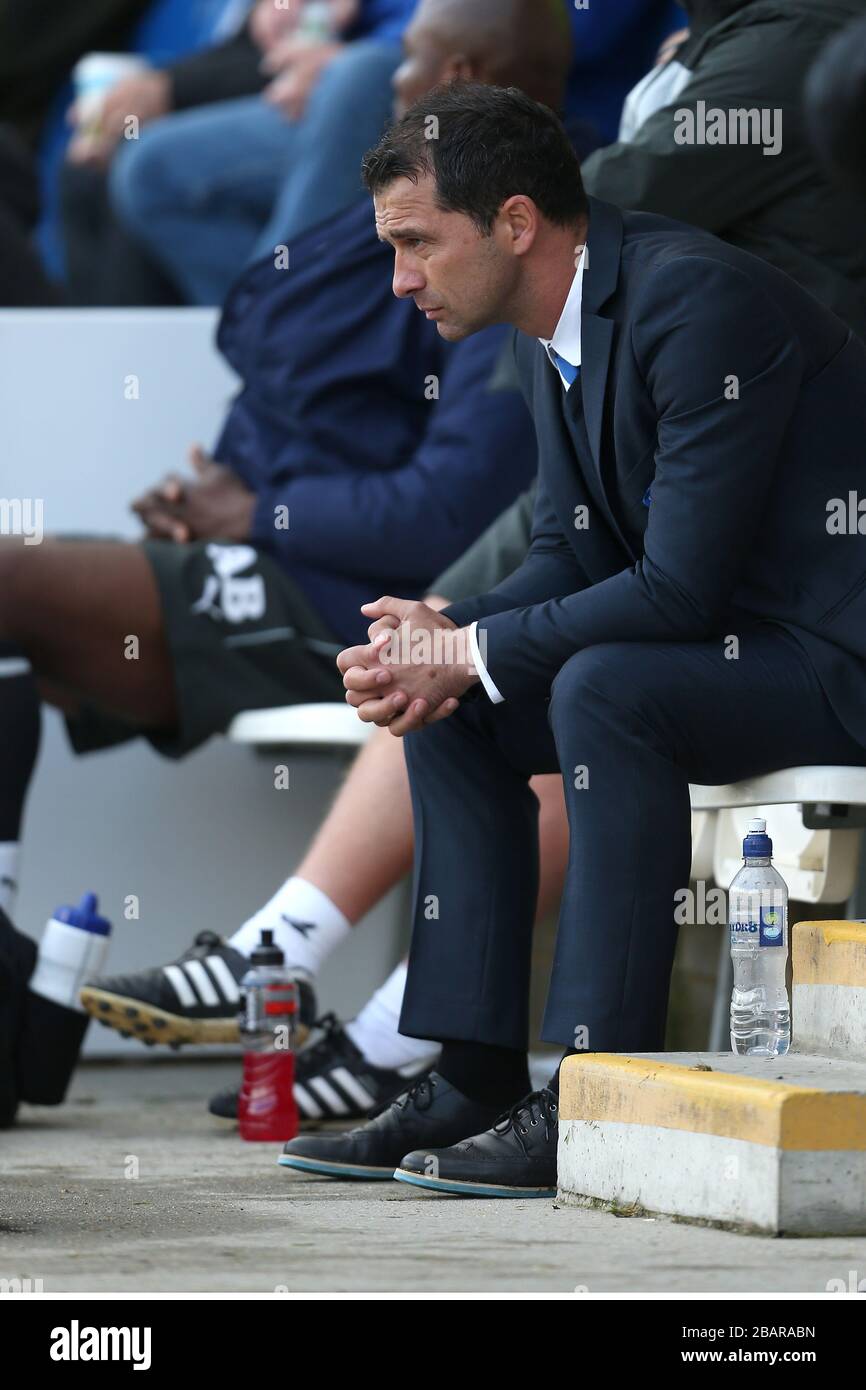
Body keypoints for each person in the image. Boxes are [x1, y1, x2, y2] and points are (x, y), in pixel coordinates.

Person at [276, 82, 866, 1198]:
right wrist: (446, 636)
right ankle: (472, 1073)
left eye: (415, 244)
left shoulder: (693, 302)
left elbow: (677, 591)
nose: (400, 279)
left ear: (512, 223)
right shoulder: (544, 323)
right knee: (453, 703)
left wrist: (468, 644)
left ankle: (597, 1077)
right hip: (733, 653)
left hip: (831, 655)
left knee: (601, 688)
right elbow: (570, 549)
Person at [2, 0, 571, 1044]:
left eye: (402, 61)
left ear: (457, 70)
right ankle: (19, 987)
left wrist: (253, 510)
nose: (387, 83)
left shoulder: (508, 266)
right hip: (271, 560)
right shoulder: (417, 238)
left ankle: (353, 1017)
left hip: (347, 607)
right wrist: (221, 499)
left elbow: (446, 515)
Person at [580, 0, 866, 339]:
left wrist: (508, 193)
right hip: (742, 349)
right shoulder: (729, 25)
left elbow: (621, 192)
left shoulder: (787, 42)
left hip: (788, 364)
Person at [109, 0, 416, 304]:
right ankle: (271, 327)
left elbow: (452, 25)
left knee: (361, 73)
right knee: (152, 169)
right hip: (327, 85)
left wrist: (347, 59)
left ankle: (271, 312)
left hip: (412, 90)